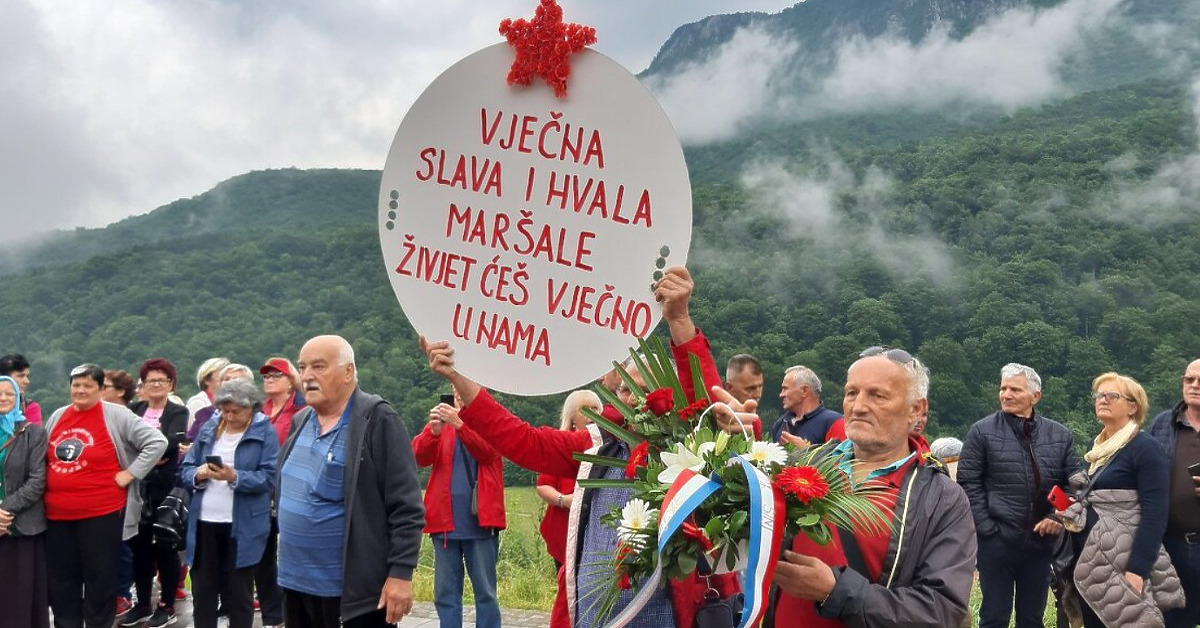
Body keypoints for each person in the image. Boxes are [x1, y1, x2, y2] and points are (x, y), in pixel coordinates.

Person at [422, 267, 744, 628]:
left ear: (669, 393)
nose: (634, 400)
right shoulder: (597, 446)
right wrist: (458, 379)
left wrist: (679, 318)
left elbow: (710, 407)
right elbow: (523, 440)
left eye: (644, 389)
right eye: (624, 390)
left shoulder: (685, 448)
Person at [768, 346, 976, 628]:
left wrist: (835, 592)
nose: (858, 406)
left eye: (877, 395)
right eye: (851, 393)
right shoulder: (803, 468)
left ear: (916, 409)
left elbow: (941, 610)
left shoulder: (942, 499)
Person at [276, 335, 425, 628]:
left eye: (318, 366)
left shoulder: (377, 420)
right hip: (295, 585)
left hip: (352, 598)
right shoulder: (301, 420)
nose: (307, 376)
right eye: (302, 367)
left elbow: (407, 507)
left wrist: (400, 574)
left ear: (348, 372)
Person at [957, 363, 1082, 628]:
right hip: (996, 542)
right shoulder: (981, 431)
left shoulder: (1059, 435)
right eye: (1003, 388)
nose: (1006, 394)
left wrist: (1057, 518)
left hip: (1039, 543)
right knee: (993, 616)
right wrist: (987, 528)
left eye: (1015, 389)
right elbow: (968, 482)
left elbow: (1076, 485)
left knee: (1031, 618)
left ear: (1035, 396)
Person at [43, 364, 167, 628]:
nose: (80, 390)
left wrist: (131, 473)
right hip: (57, 514)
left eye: (88, 385)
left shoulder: (117, 415)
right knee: (62, 580)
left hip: (101, 513)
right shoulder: (58, 416)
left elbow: (157, 443)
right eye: (76, 385)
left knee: (99, 578)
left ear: (100, 389)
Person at [1059, 372, 1182, 627]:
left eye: (1111, 395)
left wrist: (1138, 569)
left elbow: (1155, 513)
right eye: (1098, 395)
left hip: (1123, 563)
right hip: (1093, 563)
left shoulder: (1144, 448)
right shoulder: (1097, 453)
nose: (1102, 400)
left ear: (1133, 406)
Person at [180, 379, 280, 628]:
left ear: (252, 409)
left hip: (243, 524)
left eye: (237, 411)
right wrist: (199, 474)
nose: (230, 416)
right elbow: (186, 468)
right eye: (225, 410)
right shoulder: (210, 427)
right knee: (203, 590)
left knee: (239, 592)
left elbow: (269, 477)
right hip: (205, 522)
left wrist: (234, 476)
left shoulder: (263, 431)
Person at [414, 393, 506, 628]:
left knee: (485, 592)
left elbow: (488, 452)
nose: (457, 392)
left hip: (481, 522)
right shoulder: (442, 422)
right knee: (445, 593)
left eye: (462, 386)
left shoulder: (490, 420)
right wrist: (432, 432)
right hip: (445, 523)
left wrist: (460, 425)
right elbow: (418, 457)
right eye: (454, 387)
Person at [122, 358, 190, 628]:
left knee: (165, 546)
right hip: (137, 487)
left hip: (164, 488)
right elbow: (125, 439)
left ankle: (167, 605)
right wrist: (152, 451)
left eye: (162, 380)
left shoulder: (178, 411)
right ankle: (142, 604)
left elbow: (173, 443)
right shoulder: (134, 408)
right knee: (139, 547)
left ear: (171, 384)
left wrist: (148, 451)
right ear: (143, 384)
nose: (156, 385)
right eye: (151, 380)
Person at [1148, 358, 1200, 628]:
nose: (1194, 386)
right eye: (1189, 380)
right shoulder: (1162, 424)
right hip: (1171, 546)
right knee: (1173, 622)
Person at [0, 375, 50, 628]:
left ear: (19, 398)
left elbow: (37, 481)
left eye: (10, 393)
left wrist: (3, 510)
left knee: (19, 599)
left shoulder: (33, 434)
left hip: (21, 528)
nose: (3, 397)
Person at [536, 390, 602, 570]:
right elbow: (543, 486)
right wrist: (565, 501)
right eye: (584, 410)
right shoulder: (561, 447)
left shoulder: (609, 447)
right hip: (563, 533)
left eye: (595, 409)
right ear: (572, 418)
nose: (591, 415)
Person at [102, 368, 138, 617]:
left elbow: (155, 444)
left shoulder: (125, 416)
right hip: (100, 492)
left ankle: (123, 594)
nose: (99, 390)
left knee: (121, 546)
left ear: (121, 392)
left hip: (121, 491)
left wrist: (131, 471)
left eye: (104, 386)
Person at [769, 365, 841, 447]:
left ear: (804, 391)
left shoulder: (834, 422)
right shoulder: (779, 424)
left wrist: (805, 451)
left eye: (785, 388)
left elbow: (843, 458)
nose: (781, 395)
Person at [261, 357, 305, 445]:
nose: (269, 380)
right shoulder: (259, 410)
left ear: (290, 382)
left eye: (277, 375)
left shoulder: (302, 409)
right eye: (266, 376)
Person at [186, 358, 231, 429]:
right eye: (221, 375)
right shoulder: (197, 402)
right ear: (206, 380)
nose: (226, 379)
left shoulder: (230, 402)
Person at [0, 354, 42, 425]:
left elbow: (34, 434)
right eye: (20, 376)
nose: (26, 381)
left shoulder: (29, 407)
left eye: (27, 376)